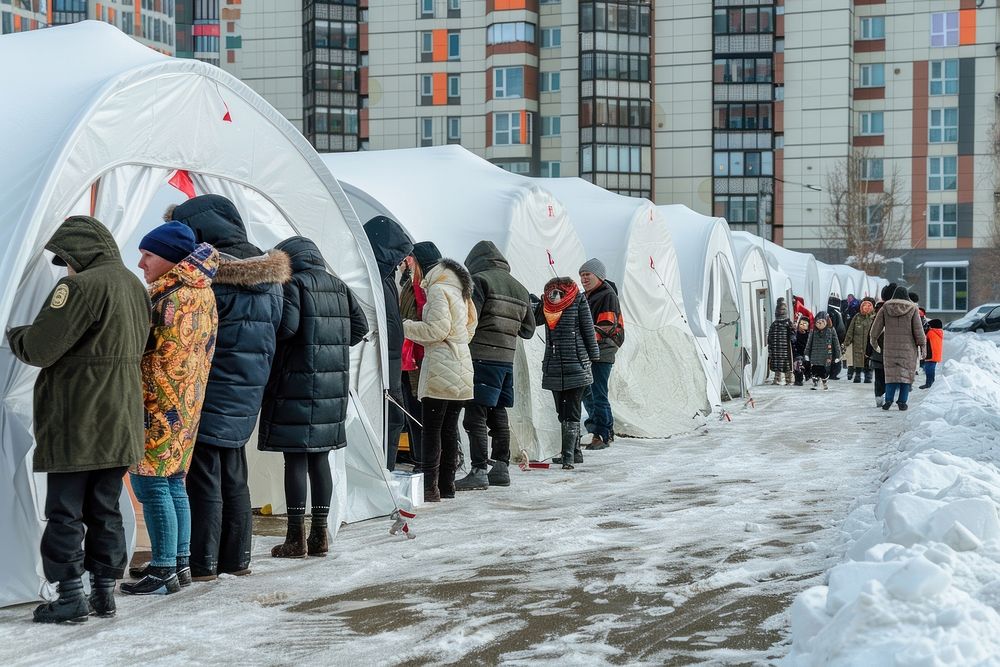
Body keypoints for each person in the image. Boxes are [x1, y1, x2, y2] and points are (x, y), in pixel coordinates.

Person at [6, 216, 150, 623]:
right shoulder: (133, 285)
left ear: (78, 252)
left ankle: (70, 595)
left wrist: (14, 332)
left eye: (64, 259)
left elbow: (39, 349)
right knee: (104, 507)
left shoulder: (78, 287)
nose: (63, 267)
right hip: (122, 416)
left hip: (80, 417)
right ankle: (104, 593)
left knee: (65, 511)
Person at [172, 195, 290, 581]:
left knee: (204, 475)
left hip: (207, 387)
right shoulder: (269, 278)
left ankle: (203, 562)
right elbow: (280, 331)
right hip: (248, 389)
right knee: (234, 474)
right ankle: (237, 559)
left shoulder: (210, 280)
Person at [123, 223, 219, 596]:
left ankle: (163, 568)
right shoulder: (203, 292)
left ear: (170, 258)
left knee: (150, 483)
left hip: (156, 403)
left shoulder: (167, 296)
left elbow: (141, 347)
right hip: (188, 400)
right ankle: (178, 563)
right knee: (174, 481)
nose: (141, 262)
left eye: (148, 254)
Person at [258, 236, 369, 559]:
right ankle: (320, 534)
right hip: (332, 387)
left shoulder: (294, 285)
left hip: (297, 383)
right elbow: (359, 328)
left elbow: (288, 328)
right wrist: (328, 344)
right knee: (320, 459)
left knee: (294, 458)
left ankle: (296, 537)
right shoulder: (338, 286)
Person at [455, 240, 535, 491]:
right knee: (498, 412)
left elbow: (470, 320)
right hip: (505, 361)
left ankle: (478, 470)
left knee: (475, 415)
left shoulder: (480, 281)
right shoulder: (520, 288)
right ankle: (500, 467)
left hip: (480, 355)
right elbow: (528, 330)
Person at [402, 253, 477, 501]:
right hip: (462, 365)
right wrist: (456, 341)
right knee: (448, 428)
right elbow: (470, 326)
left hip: (441, 364)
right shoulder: (461, 288)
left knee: (431, 430)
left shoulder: (437, 290)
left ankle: (429, 487)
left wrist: (404, 326)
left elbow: (436, 329)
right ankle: (447, 485)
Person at [532, 277, 600, 469]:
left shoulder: (578, 300)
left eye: (558, 291)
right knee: (562, 411)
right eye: (552, 291)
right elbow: (536, 321)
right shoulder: (546, 304)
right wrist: (534, 303)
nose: (555, 295)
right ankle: (575, 453)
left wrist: (594, 356)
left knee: (570, 410)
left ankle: (568, 457)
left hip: (576, 364)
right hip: (556, 365)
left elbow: (587, 328)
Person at [363, 216, 414, 471]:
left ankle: (386, 472)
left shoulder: (385, 278)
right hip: (377, 363)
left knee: (393, 419)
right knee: (387, 419)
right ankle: (382, 474)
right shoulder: (370, 279)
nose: (404, 263)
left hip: (390, 363)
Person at [399, 243, 440, 469]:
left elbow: (428, 325)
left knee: (420, 412)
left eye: (410, 258)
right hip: (412, 357)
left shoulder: (424, 287)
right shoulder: (412, 284)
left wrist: (404, 326)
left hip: (419, 357)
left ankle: (424, 461)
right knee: (414, 411)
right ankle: (420, 459)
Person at [578, 258, 624, 450]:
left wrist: (581, 336)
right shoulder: (587, 296)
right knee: (586, 391)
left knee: (597, 392)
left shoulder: (606, 295)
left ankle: (603, 434)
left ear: (599, 276)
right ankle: (597, 427)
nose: (584, 278)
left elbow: (606, 326)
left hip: (603, 349)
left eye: (587, 274)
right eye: (582, 275)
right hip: (592, 349)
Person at [870, 286, 926, 411]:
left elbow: (876, 327)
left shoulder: (885, 307)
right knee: (905, 376)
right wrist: (923, 345)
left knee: (891, 375)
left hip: (890, 347)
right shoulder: (912, 308)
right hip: (908, 348)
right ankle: (902, 401)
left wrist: (873, 340)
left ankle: (888, 399)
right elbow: (918, 330)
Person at [868, 283, 897, 407]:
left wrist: (869, 350)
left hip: (879, 350)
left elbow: (872, 332)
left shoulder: (879, 309)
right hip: (893, 350)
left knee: (880, 375)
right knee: (890, 376)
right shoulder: (901, 309)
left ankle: (880, 396)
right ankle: (887, 397)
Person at [804, 311, 841, 391]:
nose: (820, 324)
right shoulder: (813, 331)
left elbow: (836, 343)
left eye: (822, 322)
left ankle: (824, 383)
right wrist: (807, 354)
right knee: (814, 370)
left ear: (826, 321)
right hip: (815, 355)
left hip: (826, 355)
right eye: (818, 322)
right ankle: (815, 382)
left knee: (824, 371)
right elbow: (809, 343)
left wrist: (838, 355)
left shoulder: (831, 330)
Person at [844, 297, 876, 384]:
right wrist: (846, 342)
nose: (866, 307)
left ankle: (868, 375)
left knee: (868, 360)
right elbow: (850, 330)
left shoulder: (875, 318)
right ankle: (857, 375)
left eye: (868, 305)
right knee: (857, 360)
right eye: (864, 305)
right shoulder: (857, 317)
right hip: (857, 343)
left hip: (869, 344)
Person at [766, 302, 795, 386]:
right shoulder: (777, 324)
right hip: (780, 348)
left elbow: (793, 335)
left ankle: (785, 379)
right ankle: (780, 379)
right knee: (781, 364)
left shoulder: (785, 323)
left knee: (785, 364)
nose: (781, 311)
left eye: (783, 309)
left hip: (783, 349)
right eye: (780, 310)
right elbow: (770, 337)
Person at [826, 295, 847, 380]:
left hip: (837, 337)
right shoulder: (834, 313)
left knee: (835, 355)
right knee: (835, 355)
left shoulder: (834, 312)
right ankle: (833, 373)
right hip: (836, 337)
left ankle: (833, 373)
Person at [921, 319, 944, 390]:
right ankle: (931, 382)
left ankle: (929, 383)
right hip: (935, 354)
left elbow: (923, 337)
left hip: (931, 354)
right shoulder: (938, 332)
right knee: (931, 369)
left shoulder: (931, 332)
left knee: (929, 369)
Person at [792, 316, 810, 386]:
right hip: (797, 353)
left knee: (807, 361)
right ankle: (798, 380)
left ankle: (808, 375)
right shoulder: (795, 334)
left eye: (804, 324)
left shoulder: (809, 335)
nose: (802, 325)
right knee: (798, 363)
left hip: (806, 354)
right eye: (801, 324)